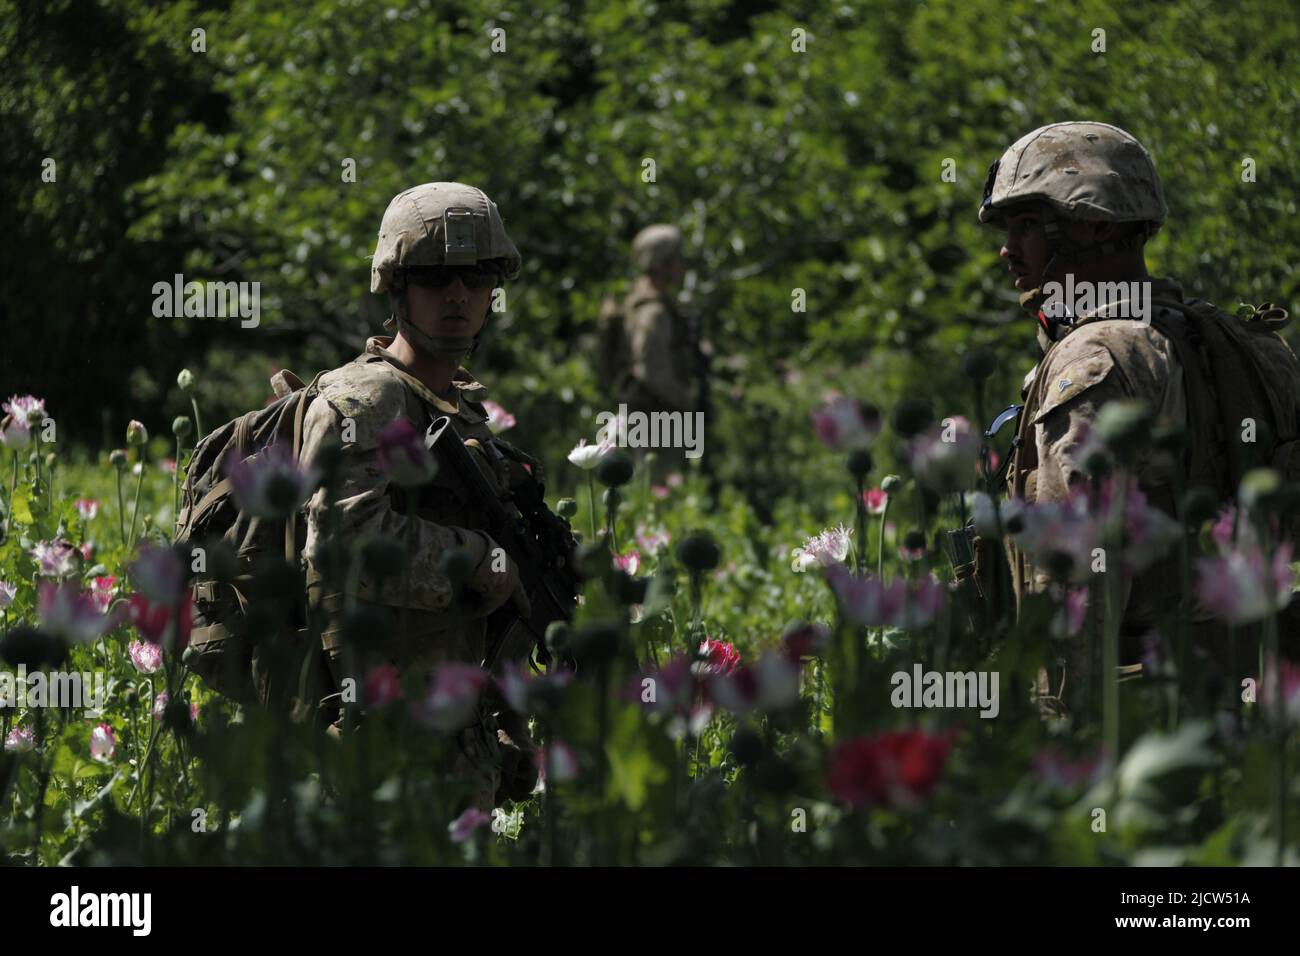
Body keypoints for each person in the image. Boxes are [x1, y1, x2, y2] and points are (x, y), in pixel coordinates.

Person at [973, 121, 1254, 715]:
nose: (1006, 248)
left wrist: (1062, 739)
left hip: (1140, 718)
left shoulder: (1093, 359)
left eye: (1027, 225)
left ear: (1096, 225)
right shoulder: (1234, 342)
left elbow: (1072, 576)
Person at [297, 182, 548, 807]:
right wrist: (481, 559)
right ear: (398, 288)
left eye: (476, 275)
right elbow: (342, 541)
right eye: (435, 277)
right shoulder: (368, 400)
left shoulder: (462, 416)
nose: (458, 294)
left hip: (452, 749)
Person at [599, 224, 707, 481]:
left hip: (653, 416)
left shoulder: (641, 300)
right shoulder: (653, 312)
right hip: (656, 419)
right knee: (658, 492)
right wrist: (688, 401)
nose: (683, 265)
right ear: (662, 263)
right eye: (677, 258)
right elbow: (649, 371)